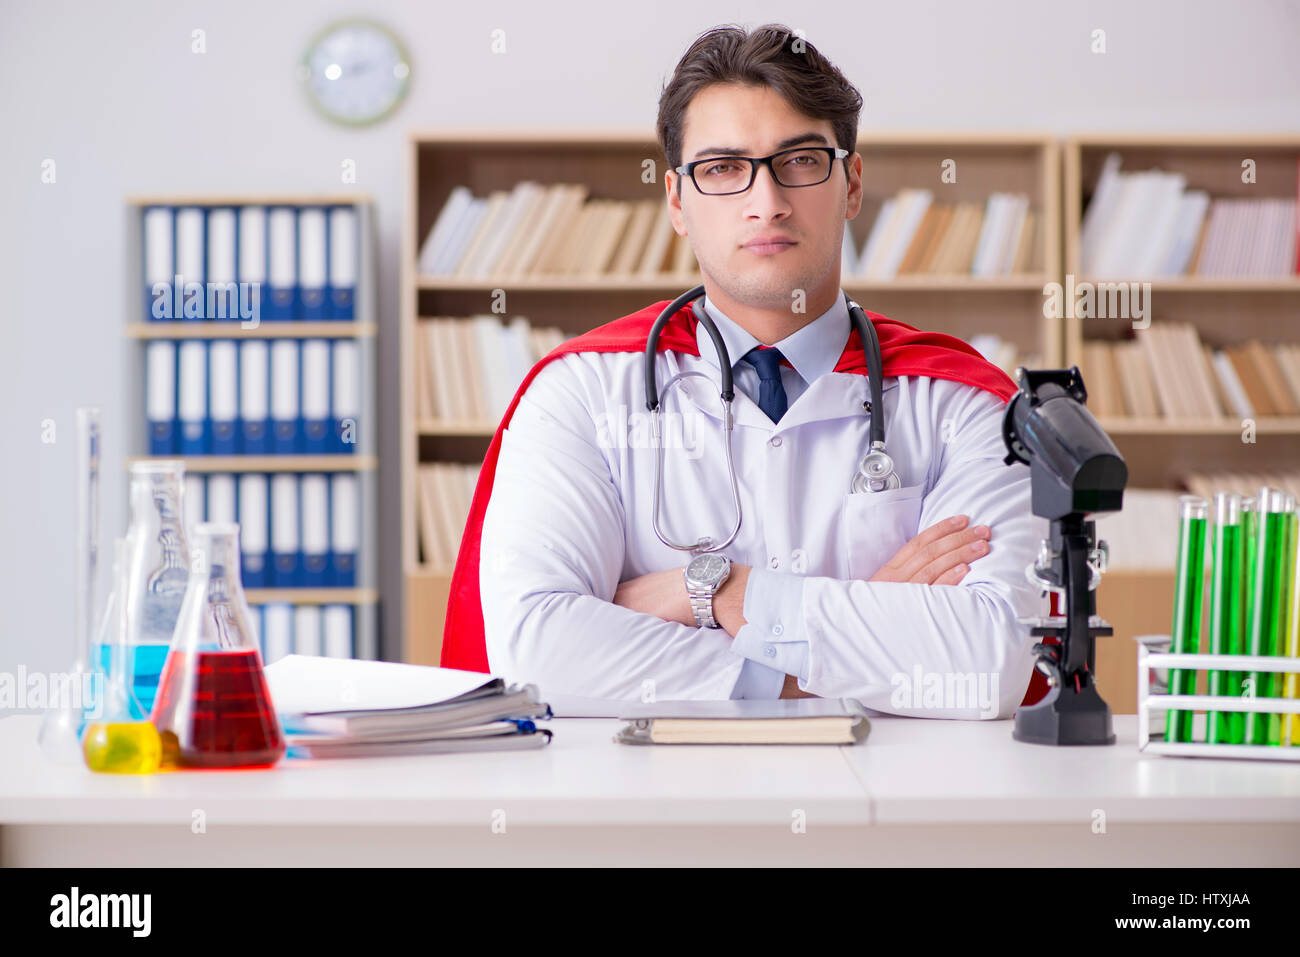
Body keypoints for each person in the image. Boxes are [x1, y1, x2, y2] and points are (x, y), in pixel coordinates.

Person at [441, 23, 1049, 718]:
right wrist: (857, 635)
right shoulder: (576, 394)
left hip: (886, 816)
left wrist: (716, 589)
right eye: (724, 168)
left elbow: (987, 660)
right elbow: (536, 652)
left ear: (851, 183)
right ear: (677, 200)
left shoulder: (966, 404)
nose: (767, 201)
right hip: (651, 815)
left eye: (798, 160)